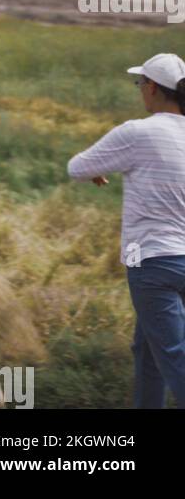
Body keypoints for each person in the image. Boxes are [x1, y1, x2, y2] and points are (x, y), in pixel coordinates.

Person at [67, 53, 185, 408]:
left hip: (154, 264)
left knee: (174, 357)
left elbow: (77, 166)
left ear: (151, 88)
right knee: (149, 350)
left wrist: (98, 169)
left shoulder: (139, 132)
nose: (139, 91)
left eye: (140, 84)